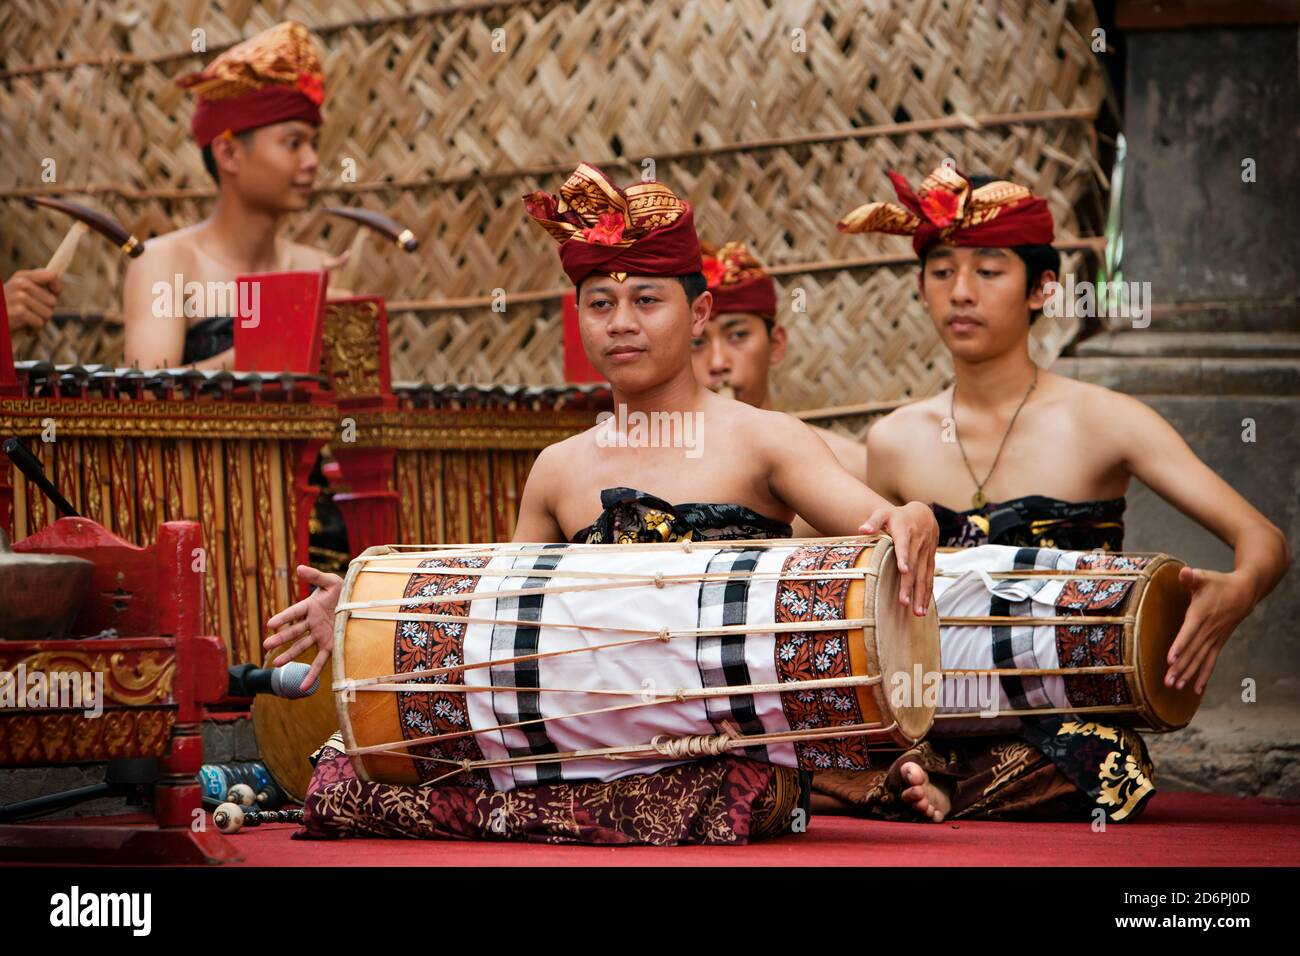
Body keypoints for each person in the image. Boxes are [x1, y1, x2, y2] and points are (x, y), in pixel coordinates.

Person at [264, 164, 941, 844]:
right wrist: (362, 627)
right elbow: (498, 635)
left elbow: (873, 521)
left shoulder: (765, 440)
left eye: (647, 301)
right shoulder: (559, 468)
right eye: (600, 304)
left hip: (720, 752)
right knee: (342, 777)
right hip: (586, 741)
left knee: (720, 790)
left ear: (698, 313)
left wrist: (910, 517)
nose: (622, 324)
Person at [811, 163, 1291, 823]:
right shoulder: (895, 439)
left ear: (1042, 289)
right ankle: (927, 778)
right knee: (808, 750)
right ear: (920, 288)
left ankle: (937, 791)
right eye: (942, 270)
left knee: (1109, 760)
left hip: (1058, 720)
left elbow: (1262, 539)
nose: (961, 292)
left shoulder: (1105, 420)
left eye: (989, 270)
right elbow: (869, 597)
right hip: (936, 709)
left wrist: (1239, 591)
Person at [121, 21, 346, 370]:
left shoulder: (316, 268)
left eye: (314, 145)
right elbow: (147, 399)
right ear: (228, 154)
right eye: (293, 143)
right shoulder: (166, 265)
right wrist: (279, 337)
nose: (312, 161)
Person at [691, 240, 866, 536]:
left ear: (775, 344)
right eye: (697, 342)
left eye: (738, 335)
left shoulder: (853, 469)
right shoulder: (665, 477)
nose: (718, 362)